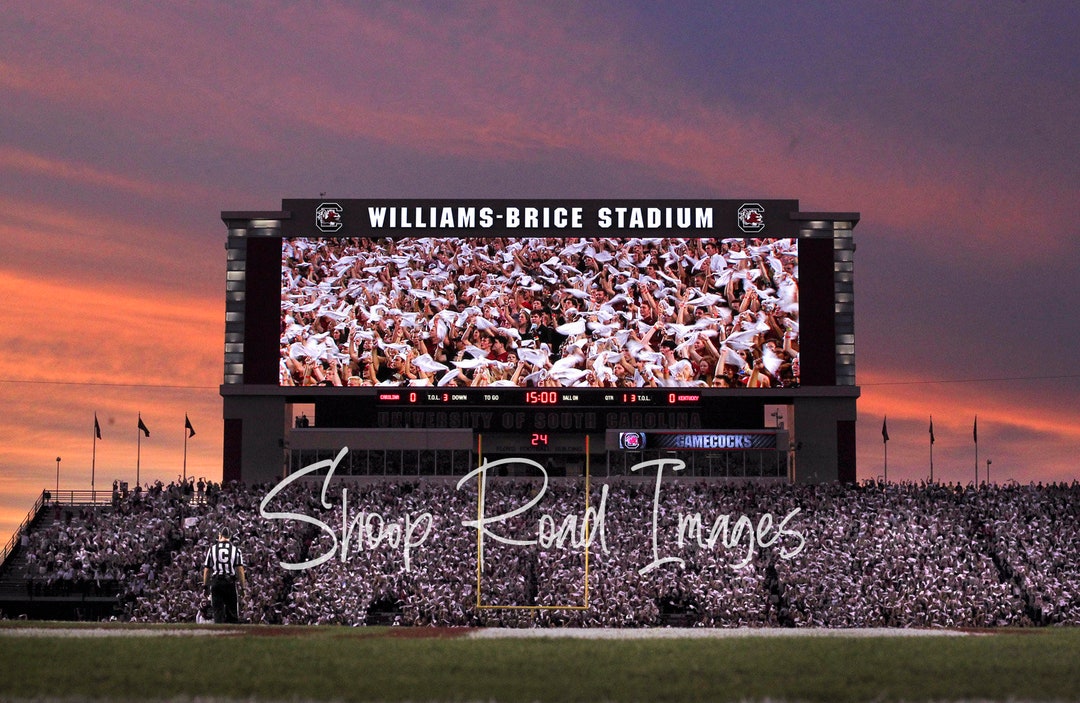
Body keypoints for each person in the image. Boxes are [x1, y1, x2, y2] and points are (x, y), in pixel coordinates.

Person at [202, 528, 247, 623]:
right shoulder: (236, 550)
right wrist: (243, 588)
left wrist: (205, 586)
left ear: (220, 535)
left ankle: (219, 635)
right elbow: (240, 570)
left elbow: (207, 570)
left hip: (216, 582)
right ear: (229, 537)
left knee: (218, 612)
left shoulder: (212, 549)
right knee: (232, 613)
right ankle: (232, 635)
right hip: (229, 582)